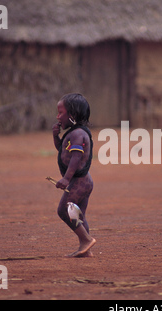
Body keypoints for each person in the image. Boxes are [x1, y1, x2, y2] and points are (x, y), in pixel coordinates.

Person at [52, 93, 96, 257]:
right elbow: (64, 152)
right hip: (84, 181)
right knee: (79, 215)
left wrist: (66, 178)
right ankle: (86, 249)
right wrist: (56, 137)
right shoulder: (73, 133)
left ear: (73, 115)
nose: (57, 117)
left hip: (79, 181)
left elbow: (76, 158)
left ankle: (86, 240)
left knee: (64, 210)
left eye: (61, 113)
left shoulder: (78, 134)